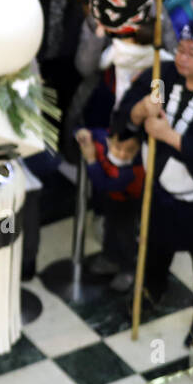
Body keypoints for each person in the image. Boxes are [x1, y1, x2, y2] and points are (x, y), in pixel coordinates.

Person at [119, 20, 193, 345]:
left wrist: (170, 137)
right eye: (181, 51)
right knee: (155, 243)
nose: (183, 59)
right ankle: (151, 288)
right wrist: (141, 110)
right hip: (157, 188)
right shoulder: (165, 76)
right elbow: (136, 106)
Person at [74, 115, 145, 294]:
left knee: (125, 234)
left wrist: (91, 160)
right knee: (110, 227)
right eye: (117, 147)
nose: (122, 154)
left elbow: (104, 184)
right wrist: (81, 134)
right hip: (113, 199)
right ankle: (110, 258)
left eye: (130, 150)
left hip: (130, 201)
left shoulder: (131, 170)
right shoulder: (100, 137)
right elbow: (81, 132)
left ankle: (128, 269)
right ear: (110, 139)